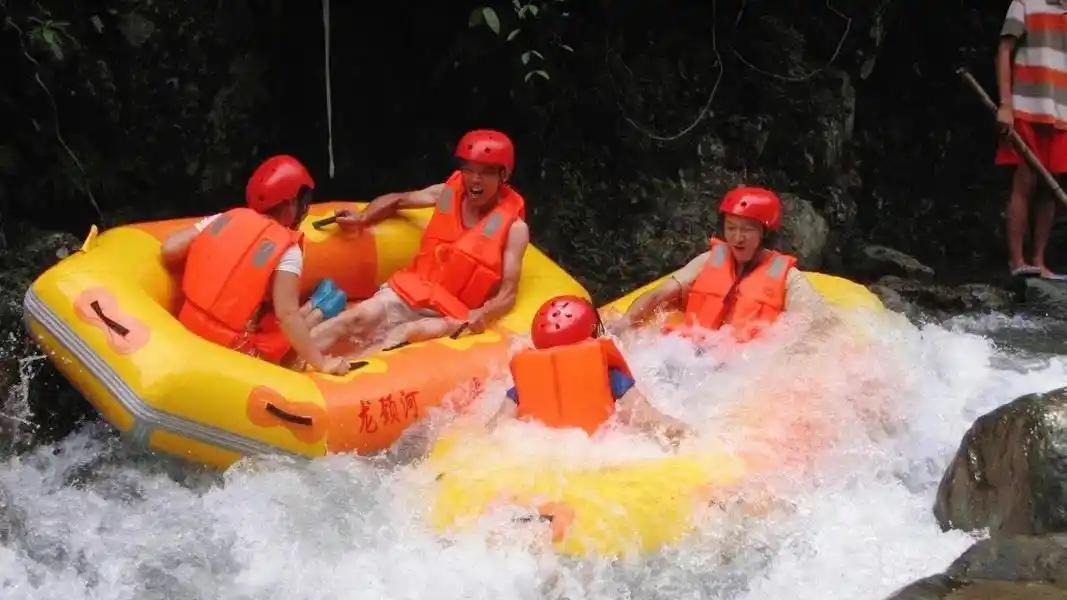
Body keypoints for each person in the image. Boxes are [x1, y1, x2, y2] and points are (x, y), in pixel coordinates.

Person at [311, 130, 530, 356]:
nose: (474, 180)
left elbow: (508, 293)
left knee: (407, 334)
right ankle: (294, 362)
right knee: (355, 318)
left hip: (453, 312)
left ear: (503, 176)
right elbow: (398, 200)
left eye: (485, 173)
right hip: (413, 288)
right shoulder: (446, 193)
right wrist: (363, 218)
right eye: (469, 170)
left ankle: (346, 377)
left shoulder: (515, 229)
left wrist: (483, 314)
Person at [161, 155, 350, 374]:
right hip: (232, 351)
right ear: (289, 203)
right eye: (302, 201)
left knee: (270, 316)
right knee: (285, 335)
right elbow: (287, 315)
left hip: (188, 326)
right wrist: (323, 363)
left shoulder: (224, 218)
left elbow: (170, 249)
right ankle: (318, 309)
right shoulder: (288, 249)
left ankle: (317, 304)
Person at [606, 186, 838, 349]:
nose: (737, 238)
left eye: (746, 230)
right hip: (691, 352)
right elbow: (660, 293)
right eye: (731, 228)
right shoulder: (711, 260)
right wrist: (624, 324)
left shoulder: (788, 278)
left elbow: (817, 324)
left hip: (743, 366)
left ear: (766, 234)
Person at [489, 295, 690, 442]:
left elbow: (495, 430)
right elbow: (649, 420)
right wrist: (689, 433)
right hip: (595, 452)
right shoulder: (611, 378)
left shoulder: (523, 386)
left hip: (543, 455)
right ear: (592, 333)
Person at [995, 0, 1067, 279]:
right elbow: (1004, 50)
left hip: (1062, 112)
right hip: (1027, 107)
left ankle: (1039, 261)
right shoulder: (1025, 2)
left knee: (1051, 188)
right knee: (1025, 182)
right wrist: (1005, 105)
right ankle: (1017, 261)